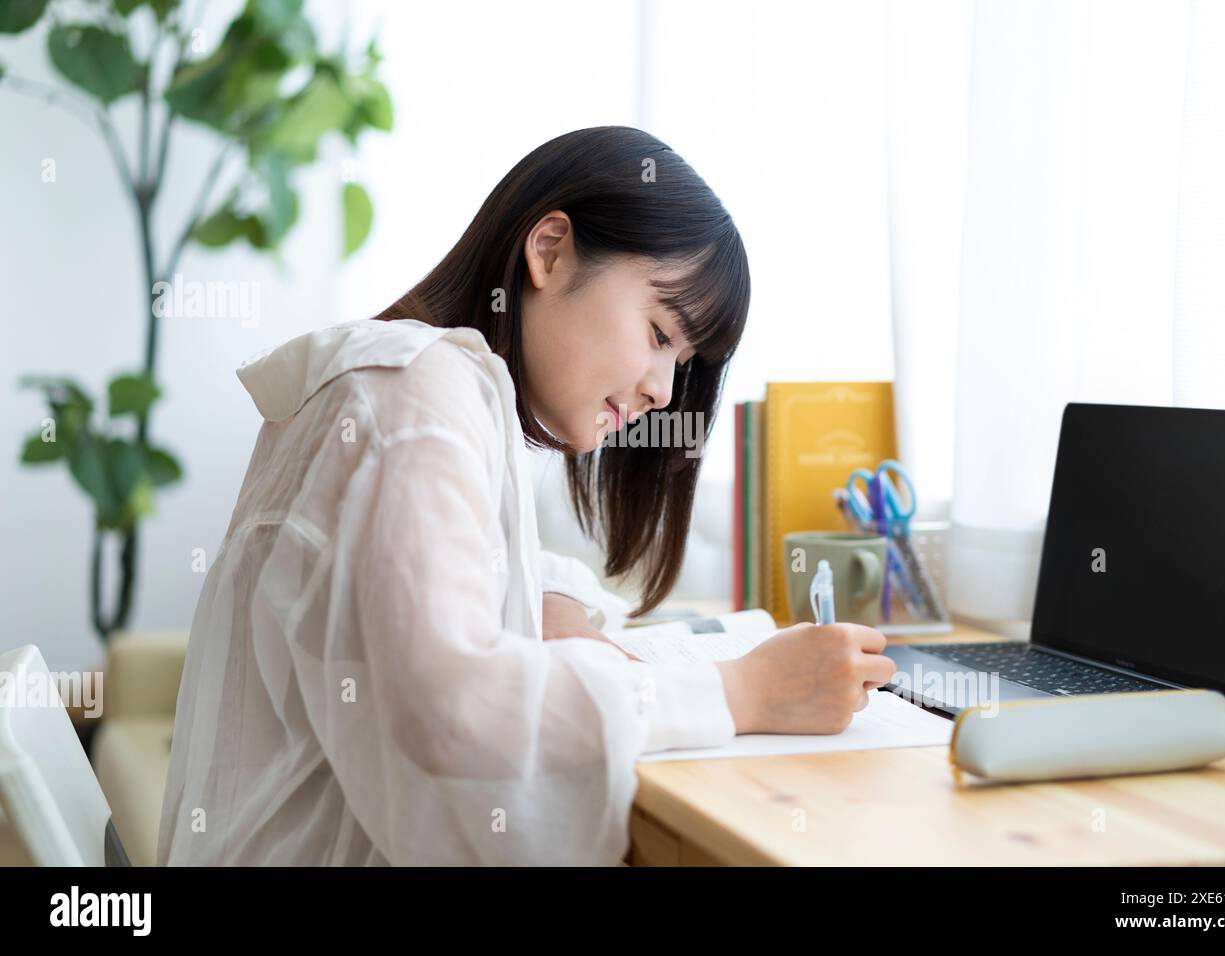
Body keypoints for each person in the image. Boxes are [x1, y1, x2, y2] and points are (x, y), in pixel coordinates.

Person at [157, 126, 896, 866]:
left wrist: (546, 598)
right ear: (548, 251)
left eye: (684, 361)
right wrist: (740, 692)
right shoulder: (414, 398)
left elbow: (439, 584)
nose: (663, 390)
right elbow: (452, 707)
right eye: (659, 332)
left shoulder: (427, 390)